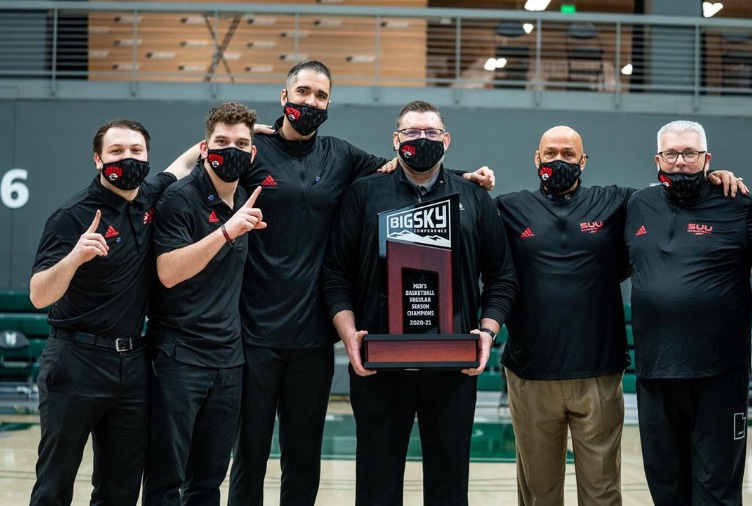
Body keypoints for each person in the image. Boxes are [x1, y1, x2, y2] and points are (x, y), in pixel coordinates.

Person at [168, 60, 493, 506]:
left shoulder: (341, 155)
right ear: (285, 98)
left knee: (303, 460)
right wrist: (213, 145)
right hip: (252, 333)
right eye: (302, 92)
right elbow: (182, 181)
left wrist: (465, 178)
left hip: (313, 336)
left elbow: (408, 164)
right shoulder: (251, 154)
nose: (311, 102)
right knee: (249, 457)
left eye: (321, 96)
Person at [496, 125, 745, 506]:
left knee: (602, 492)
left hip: (599, 372)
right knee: (538, 493)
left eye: (568, 153)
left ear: (583, 161)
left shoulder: (618, 203)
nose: (559, 160)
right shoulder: (510, 208)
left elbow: (675, 188)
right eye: (551, 153)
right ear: (537, 159)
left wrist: (714, 178)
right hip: (530, 373)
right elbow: (464, 203)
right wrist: (467, 174)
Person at [321, 100, 518, 505]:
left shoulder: (475, 198)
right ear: (396, 140)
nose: (421, 140)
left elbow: (502, 278)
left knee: (449, 487)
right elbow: (335, 275)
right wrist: (349, 337)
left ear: (446, 141)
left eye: (430, 132)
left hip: (453, 369)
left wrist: (486, 331)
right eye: (411, 132)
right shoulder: (364, 194)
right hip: (379, 367)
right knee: (377, 486)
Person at [28, 119, 191, 505]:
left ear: (147, 157)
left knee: (120, 488)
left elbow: (184, 165)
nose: (128, 158)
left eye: (136, 151)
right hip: (75, 360)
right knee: (55, 483)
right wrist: (75, 257)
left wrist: (254, 134)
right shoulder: (71, 215)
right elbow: (38, 295)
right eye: (117, 151)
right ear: (98, 159)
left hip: (133, 365)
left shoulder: (149, 195)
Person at [624, 120, 752, 505]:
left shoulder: (738, 204)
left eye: (690, 153)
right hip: (656, 373)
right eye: (672, 153)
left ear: (707, 158)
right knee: (666, 488)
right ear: (658, 158)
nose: (681, 161)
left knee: (716, 489)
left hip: (719, 375)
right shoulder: (638, 205)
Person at [141, 101, 265, 505]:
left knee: (208, 481)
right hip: (179, 358)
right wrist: (226, 232)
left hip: (228, 362)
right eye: (222, 141)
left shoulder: (246, 196)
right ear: (204, 146)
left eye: (241, 143)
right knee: (165, 479)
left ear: (252, 152)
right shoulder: (180, 198)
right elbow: (168, 271)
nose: (231, 150)